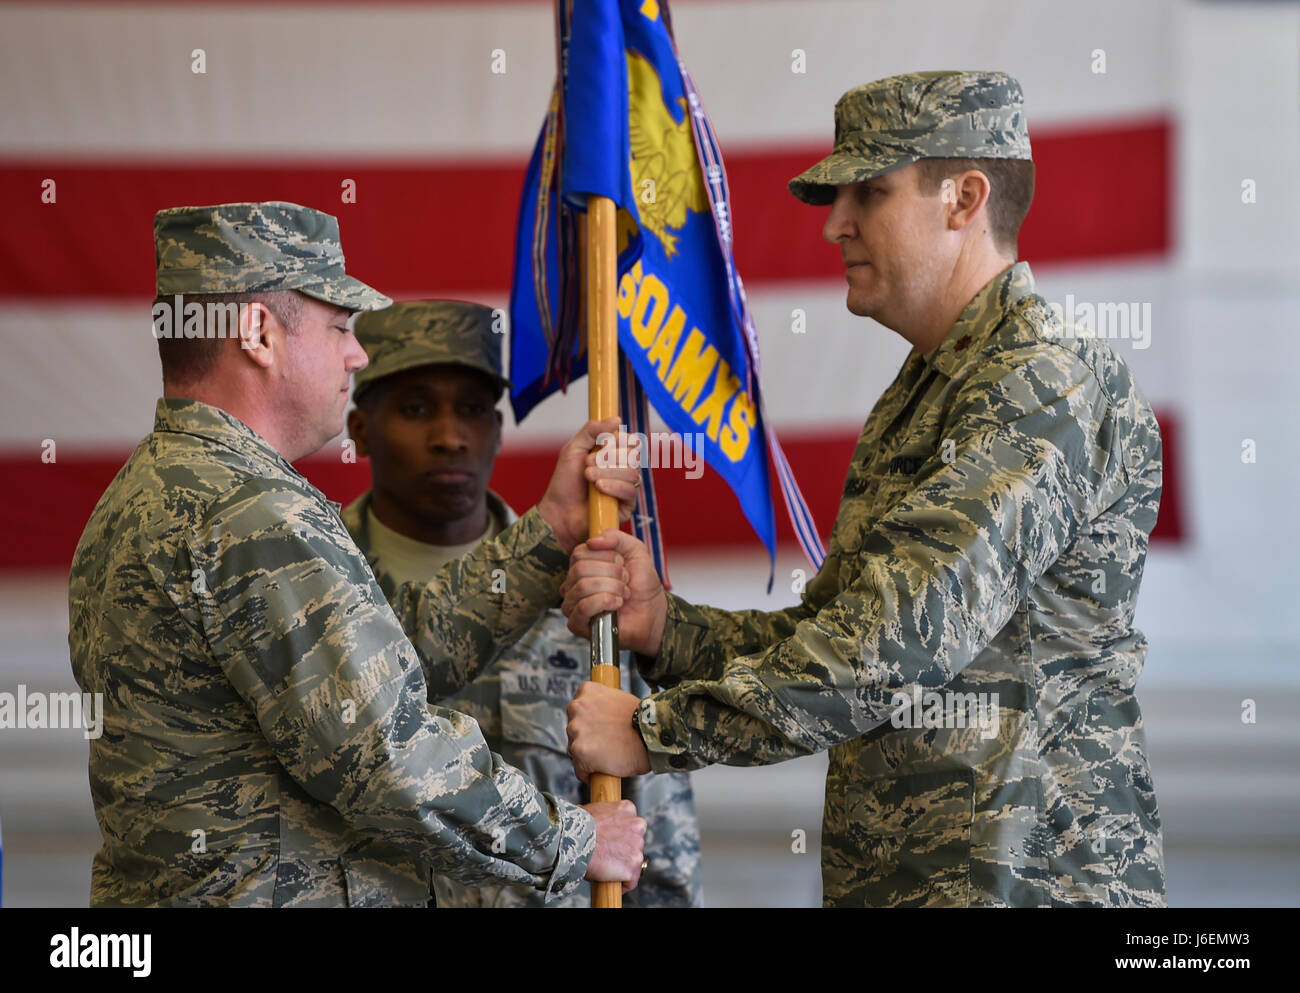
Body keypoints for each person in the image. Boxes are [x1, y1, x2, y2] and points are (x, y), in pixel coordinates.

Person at [561, 71, 1167, 907]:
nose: (835, 224)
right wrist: (670, 627)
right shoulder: (932, 385)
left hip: (1027, 882)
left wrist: (655, 732)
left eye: (869, 193)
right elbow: (841, 623)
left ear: (964, 198)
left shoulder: (1041, 385)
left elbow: (894, 641)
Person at [68, 200, 646, 907]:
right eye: (339, 325)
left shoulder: (144, 490)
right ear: (257, 332)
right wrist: (574, 839)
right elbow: (389, 755)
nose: (359, 353)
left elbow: (384, 663)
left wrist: (551, 527)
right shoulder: (256, 512)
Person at [342, 299, 702, 907]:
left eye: (474, 411)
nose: (449, 437)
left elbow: (659, 853)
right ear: (360, 429)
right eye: (414, 408)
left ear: (499, 429)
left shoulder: (588, 599)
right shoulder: (315, 588)